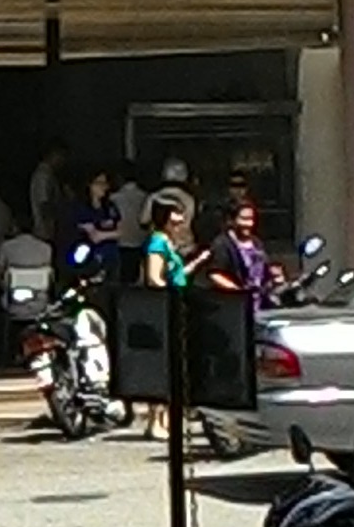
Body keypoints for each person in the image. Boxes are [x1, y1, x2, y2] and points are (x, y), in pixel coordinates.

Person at [142, 196, 210, 439]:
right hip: (164, 309)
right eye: (175, 215)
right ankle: (154, 422)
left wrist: (199, 262)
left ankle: (167, 420)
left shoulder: (169, 243)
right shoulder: (157, 243)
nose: (180, 220)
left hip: (177, 304)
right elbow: (154, 277)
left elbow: (178, 275)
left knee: (174, 366)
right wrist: (167, 299)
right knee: (164, 366)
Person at [208, 196, 275, 309]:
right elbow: (215, 274)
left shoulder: (256, 242)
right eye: (244, 219)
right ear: (231, 220)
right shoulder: (223, 243)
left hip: (259, 305)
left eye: (251, 219)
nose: (249, 224)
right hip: (235, 308)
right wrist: (237, 292)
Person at [140, 158, 197, 257]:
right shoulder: (189, 198)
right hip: (182, 247)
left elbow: (143, 220)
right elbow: (189, 222)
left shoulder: (154, 196)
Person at [76, 169, 121, 281]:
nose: (104, 187)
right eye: (99, 183)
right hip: (89, 258)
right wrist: (109, 233)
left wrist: (103, 233)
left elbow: (120, 231)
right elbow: (94, 236)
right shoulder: (81, 208)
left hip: (111, 256)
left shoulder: (110, 207)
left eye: (105, 184)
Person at [112, 160, 148, 285]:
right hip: (141, 241)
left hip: (121, 242)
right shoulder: (145, 197)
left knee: (124, 281)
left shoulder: (114, 198)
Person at [29, 141, 66, 244]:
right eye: (61, 156)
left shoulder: (50, 175)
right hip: (45, 233)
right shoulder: (43, 176)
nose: (62, 161)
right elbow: (44, 204)